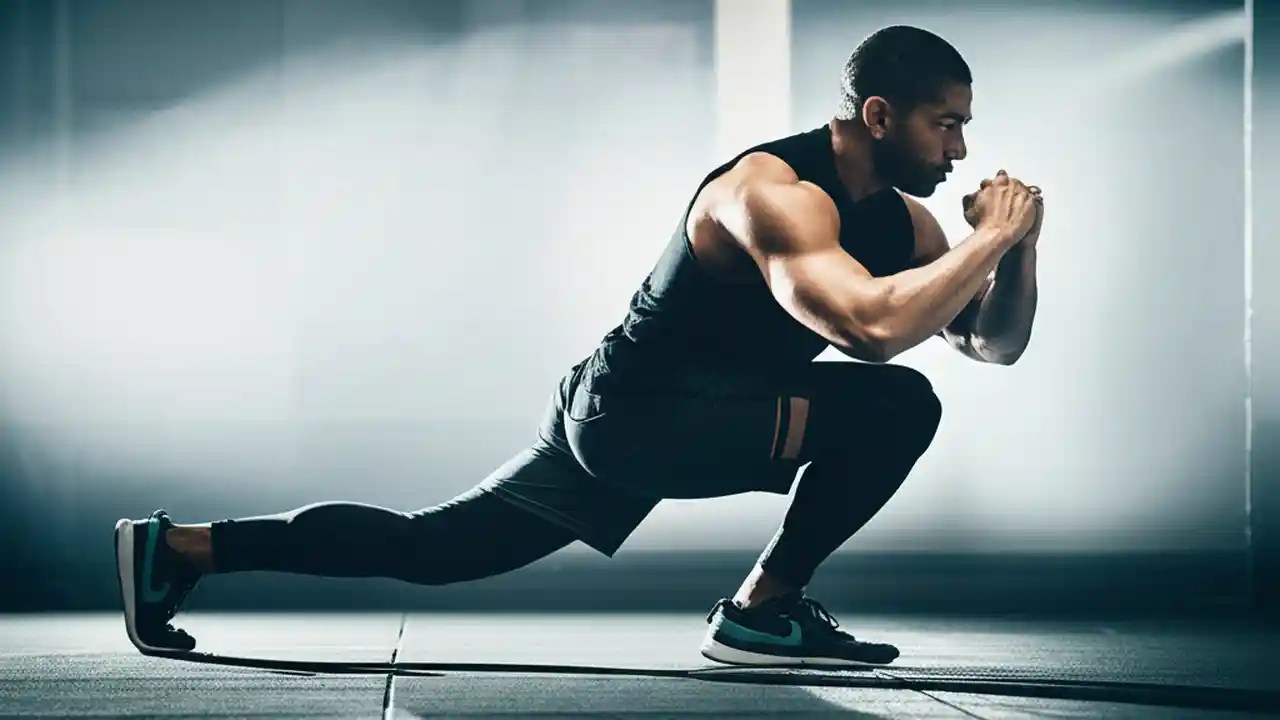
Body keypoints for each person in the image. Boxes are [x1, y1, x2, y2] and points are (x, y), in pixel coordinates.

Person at [114, 24, 1043, 666]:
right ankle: (763, 612)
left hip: (642, 409)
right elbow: (874, 331)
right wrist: (988, 240)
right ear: (879, 116)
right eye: (946, 121)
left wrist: (1019, 251)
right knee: (896, 405)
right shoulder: (773, 191)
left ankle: (179, 549)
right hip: (641, 413)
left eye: (965, 123)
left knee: (439, 548)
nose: (961, 147)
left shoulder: (904, 226)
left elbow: (991, 345)